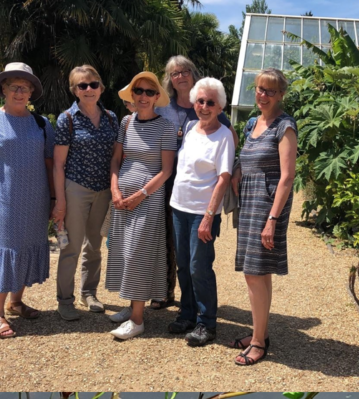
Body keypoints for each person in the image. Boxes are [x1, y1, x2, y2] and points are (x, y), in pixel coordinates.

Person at [0, 62, 55, 339]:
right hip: (1, 200)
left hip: (35, 199)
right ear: (3, 89)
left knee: (27, 247)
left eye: (25, 88)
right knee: (5, 249)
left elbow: (50, 164)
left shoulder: (41, 124)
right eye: (14, 87)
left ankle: (16, 303)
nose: (20, 92)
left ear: (31, 92)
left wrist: (54, 199)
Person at [153, 56, 238, 310]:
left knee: (196, 262)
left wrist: (235, 170)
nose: (180, 76)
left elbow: (230, 142)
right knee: (171, 246)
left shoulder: (213, 114)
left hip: (201, 192)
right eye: (175, 73)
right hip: (171, 183)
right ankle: (170, 296)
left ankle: (202, 316)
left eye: (185, 71)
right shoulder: (165, 108)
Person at [231, 68, 297, 366]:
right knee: (257, 273)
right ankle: (261, 332)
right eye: (259, 89)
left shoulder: (285, 126)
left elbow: (286, 178)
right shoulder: (251, 124)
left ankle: (258, 343)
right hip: (250, 202)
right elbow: (243, 163)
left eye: (270, 91)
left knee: (255, 273)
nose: (263, 95)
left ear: (281, 94)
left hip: (268, 204)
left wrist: (272, 219)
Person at [104, 72, 176, 339]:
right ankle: (132, 302)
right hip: (121, 197)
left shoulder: (166, 126)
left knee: (138, 253)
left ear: (157, 97)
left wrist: (141, 194)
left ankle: (137, 320)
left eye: (149, 92)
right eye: (139, 91)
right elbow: (116, 160)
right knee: (123, 250)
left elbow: (166, 170)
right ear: (132, 95)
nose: (143, 96)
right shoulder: (126, 122)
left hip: (148, 198)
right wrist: (114, 188)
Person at [168, 78, 234, 346]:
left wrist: (209, 216)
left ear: (219, 106)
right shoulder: (191, 127)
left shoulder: (224, 136)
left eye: (210, 102)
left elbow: (223, 178)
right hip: (178, 207)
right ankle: (187, 313)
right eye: (200, 101)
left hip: (201, 213)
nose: (204, 106)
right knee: (183, 264)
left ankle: (207, 323)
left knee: (199, 267)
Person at [51, 65, 117, 320]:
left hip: (103, 191)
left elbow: (115, 156)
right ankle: (64, 300)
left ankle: (89, 293)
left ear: (101, 87)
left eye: (93, 84)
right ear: (74, 90)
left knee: (95, 246)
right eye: (82, 85)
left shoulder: (111, 117)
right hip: (76, 188)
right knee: (72, 247)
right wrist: (61, 201)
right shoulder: (67, 119)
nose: (89, 89)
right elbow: (58, 164)